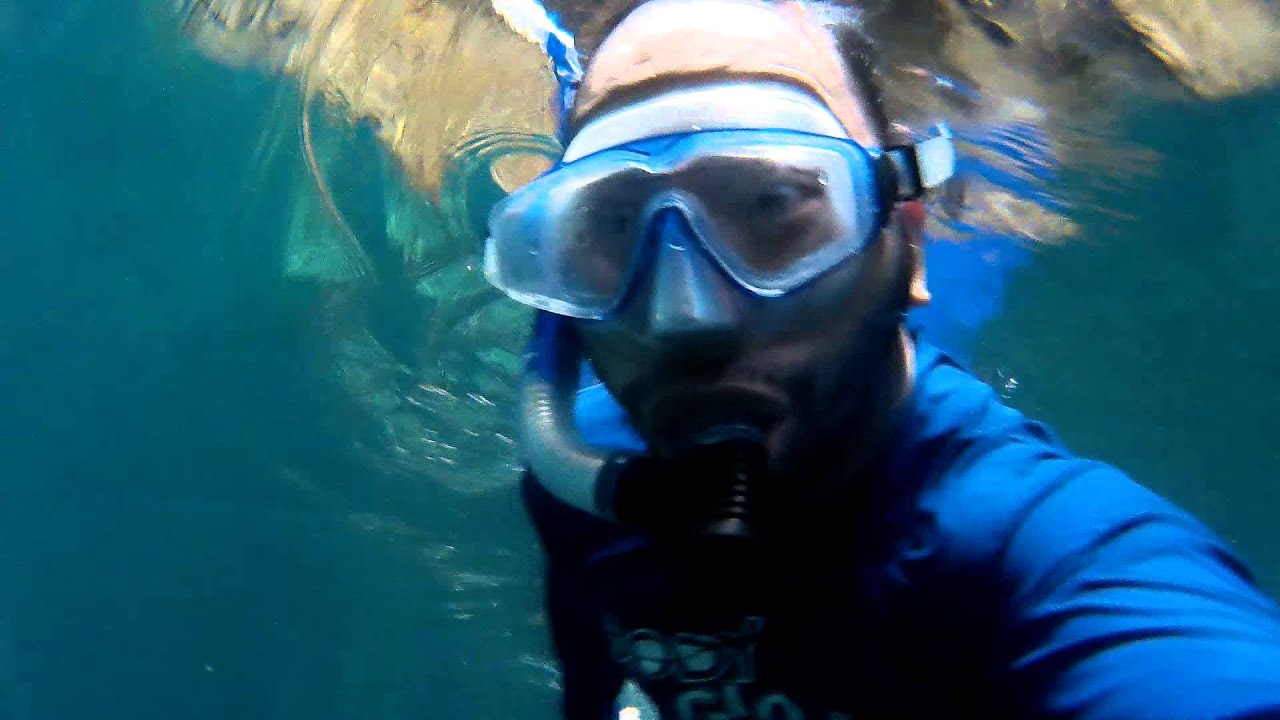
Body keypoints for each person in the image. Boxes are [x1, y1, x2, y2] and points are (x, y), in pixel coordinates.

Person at [480, 0, 1280, 718]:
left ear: (912, 238)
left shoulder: (1040, 547)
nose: (685, 318)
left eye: (774, 204)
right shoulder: (582, 480)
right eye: (613, 223)